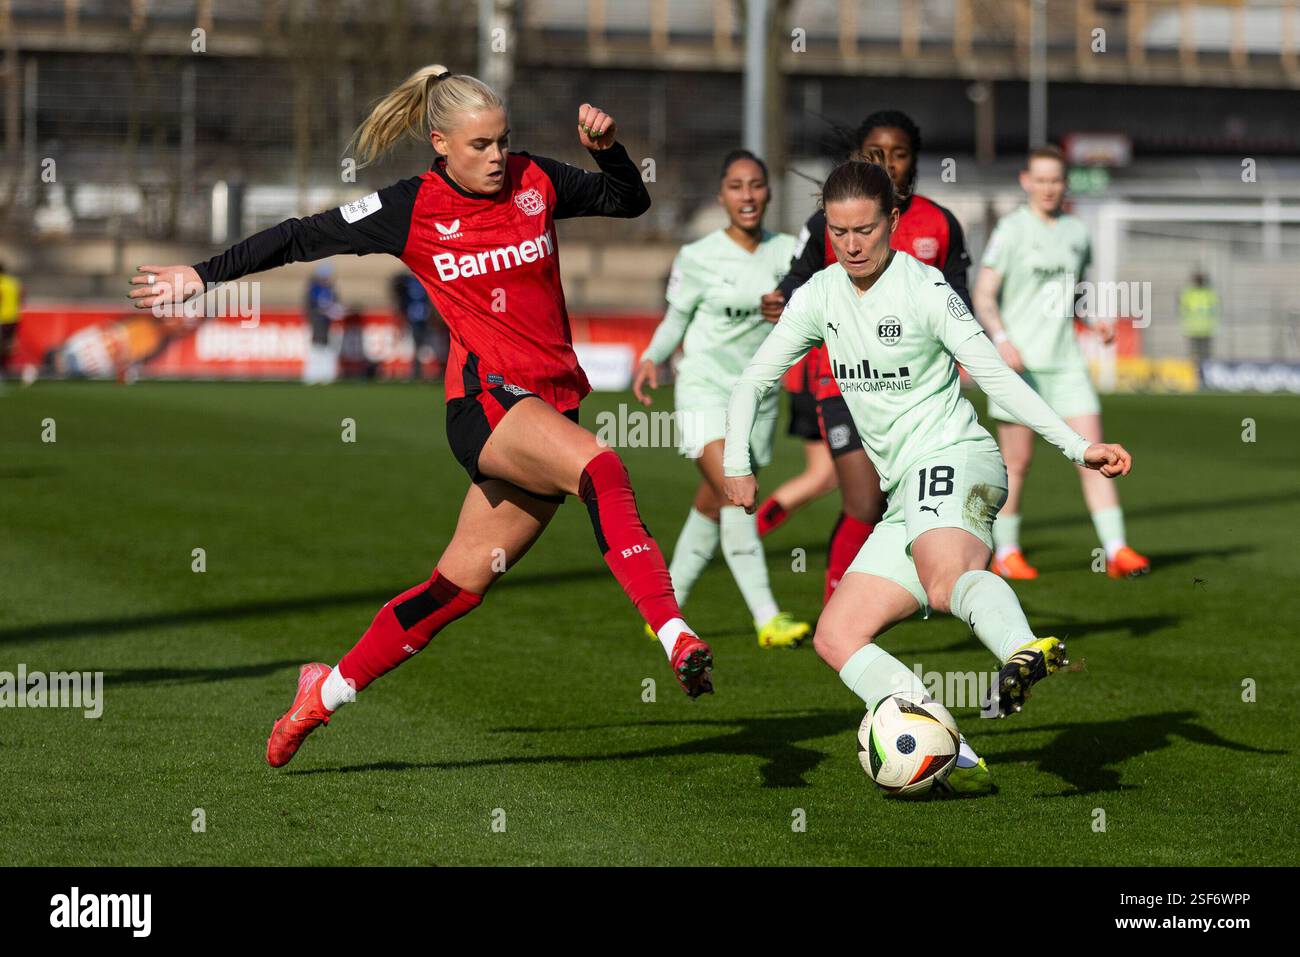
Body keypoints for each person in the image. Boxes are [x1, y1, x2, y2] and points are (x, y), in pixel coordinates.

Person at [128, 65, 715, 769]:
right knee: (603, 465)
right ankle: (675, 632)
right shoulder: (410, 208)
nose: (497, 157)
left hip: (549, 404)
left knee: (455, 590)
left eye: (502, 141)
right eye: (480, 146)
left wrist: (609, 150)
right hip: (485, 403)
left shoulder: (536, 179)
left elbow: (629, 201)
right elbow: (298, 236)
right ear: (440, 143)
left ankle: (324, 690)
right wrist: (202, 275)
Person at [723, 160, 1134, 793]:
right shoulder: (821, 296)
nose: (853, 245)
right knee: (836, 635)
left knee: (946, 582)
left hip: (957, 457)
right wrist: (738, 463)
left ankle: (1022, 649)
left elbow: (995, 376)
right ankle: (936, 733)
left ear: (892, 221)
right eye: (838, 233)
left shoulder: (927, 289)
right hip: (905, 492)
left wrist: (1078, 447)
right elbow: (752, 379)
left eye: (866, 229)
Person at [759, 110, 973, 603]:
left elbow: (959, 298)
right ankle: (840, 604)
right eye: (877, 155)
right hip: (845, 382)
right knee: (863, 497)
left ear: (914, 160)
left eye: (899, 154)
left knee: (897, 504)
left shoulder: (940, 224)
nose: (890, 164)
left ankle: (909, 591)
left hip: (918, 391)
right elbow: (799, 278)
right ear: (861, 157)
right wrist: (781, 297)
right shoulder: (826, 223)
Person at [632, 150, 810, 649]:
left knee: (712, 503)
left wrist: (791, 309)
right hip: (704, 389)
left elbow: (812, 310)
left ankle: (664, 606)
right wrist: (651, 357)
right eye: (736, 186)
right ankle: (766, 618)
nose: (747, 196)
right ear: (721, 195)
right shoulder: (697, 256)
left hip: (759, 397)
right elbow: (676, 318)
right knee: (736, 495)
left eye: (755, 185)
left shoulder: (789, 253)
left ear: (768, 192)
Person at [972, 146, 1150, 580]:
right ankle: (1007, 552)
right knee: (1018, 462)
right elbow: (983, 295)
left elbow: (1075, 294)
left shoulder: (1076, 231)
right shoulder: (1011, 230)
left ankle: (1116, 549)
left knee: (1093, 454)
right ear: (1025, 181)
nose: (1049, 187)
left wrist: (1095, 321)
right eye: (1041, 179)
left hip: (1067, 363)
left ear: (1064, 183)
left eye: (1056, 180)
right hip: (1020, 367)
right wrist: (1002, 340)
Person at [304, 262, 344, 384]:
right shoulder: (315, 288)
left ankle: (325, 375)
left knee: (326, 348)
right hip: (318, 321)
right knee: (317, 347)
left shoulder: (329, 288)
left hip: (327, 322)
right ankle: (313, 375)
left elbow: (335, 303)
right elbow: (313, 306)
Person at [392, 270, 434, 380]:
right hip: (415, 316)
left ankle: (417, 370)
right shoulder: (410, 281)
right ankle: (417, 370)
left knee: (418, 344)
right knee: (417, 344)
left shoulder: (418, 280)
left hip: (420, 316)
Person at [1179, 271, 1219, 364]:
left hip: (1206, 329)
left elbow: (1215, 309)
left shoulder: (1209, 293)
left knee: (1206, 355)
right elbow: (1183, 309)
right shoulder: (1188, 293)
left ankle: (1205, 370)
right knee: (1193, 354)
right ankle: (1194, 371)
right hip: (1193, 329)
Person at [0, 260, 22, 381]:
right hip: (14, 317)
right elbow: (21, 297)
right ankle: (6, 370)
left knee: (2, 345)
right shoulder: (13, 282)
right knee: (8, 345)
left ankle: (2, 371)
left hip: (2, 318)